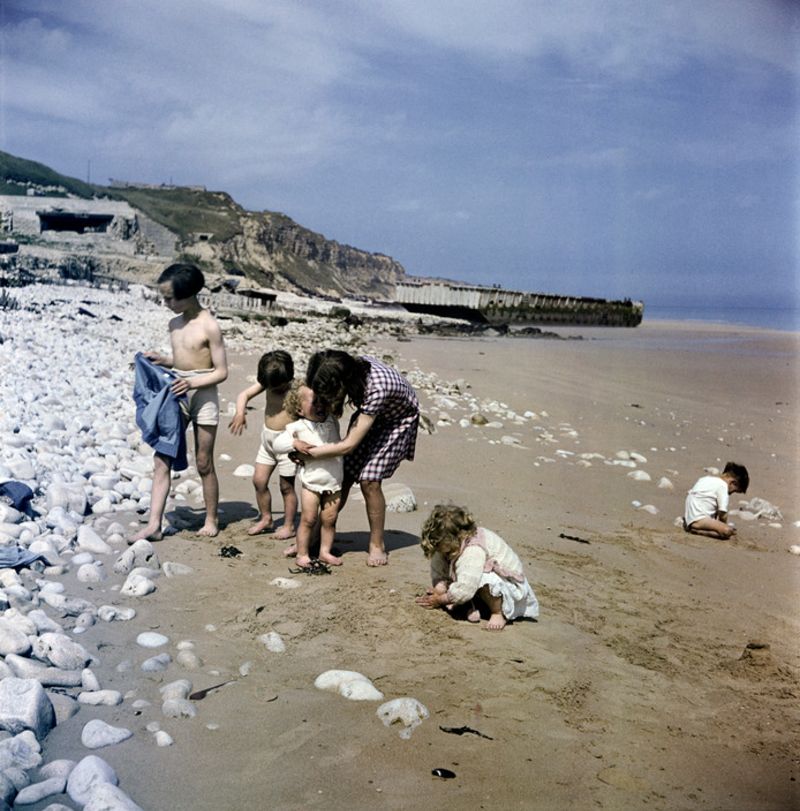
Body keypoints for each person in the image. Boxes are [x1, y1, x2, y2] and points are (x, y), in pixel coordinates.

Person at [295, 350, 420, 567]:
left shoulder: (376, 389)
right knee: (344, 475)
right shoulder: (345, 368)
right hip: (372, 414)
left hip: (397, 421)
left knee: (369, 480)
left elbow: (348, 445)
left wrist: (311, 454)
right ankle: (313, 538)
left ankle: (377, 544)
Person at [131, 263, 228, 541]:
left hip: (203, 394)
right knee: (162, 458)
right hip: (176, 392)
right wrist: (164, 360)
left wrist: (193, 382)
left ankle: (211, 518)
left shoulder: (209, 326)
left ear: (189, 295)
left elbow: (221, 371)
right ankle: (154, 524)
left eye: (170, 298)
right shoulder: (174, 323)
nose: (166, 303)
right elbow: (184, 359)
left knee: (204, 461)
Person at [415, 504, 539, 631]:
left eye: (444, 549)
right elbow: (439, 569)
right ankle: (471, 605)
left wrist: (441, 600)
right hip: (474, 575)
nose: (442, 553)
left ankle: (498, 613)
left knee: (484, 579)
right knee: (458, 571)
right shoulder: (453, 545)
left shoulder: (473, 550)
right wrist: (439, 590)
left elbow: (466, 587)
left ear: (456, 539)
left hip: (509, 584)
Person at [229, 350, 298, 538]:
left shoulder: (296, 390)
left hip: (288, 444)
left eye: (279, 387)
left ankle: (289, 525)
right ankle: (266, 518)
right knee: (258, 481)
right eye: (271, 387)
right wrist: (240, 412)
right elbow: (244, 395)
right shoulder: (268, 382)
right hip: (267, 441)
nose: (275, 390)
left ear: (289, 376)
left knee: (286, 487)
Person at [274, 383, 343, 570]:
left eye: (323, 401)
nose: (320, 405)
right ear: (299, 409)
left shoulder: (332, 421)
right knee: (308, 519)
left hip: (335, 482)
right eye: (314, 402)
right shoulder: (297, 426)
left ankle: (324, 551)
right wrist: (294, 443)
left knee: (329, 520)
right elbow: (277, 444)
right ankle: (302, 553)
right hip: (311, 483)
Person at [684, 461, 749, 539]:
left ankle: (695, 528)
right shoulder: (723, 486)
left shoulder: (705, 479)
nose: (731, 494)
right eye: (734, 491)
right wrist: (723, 525)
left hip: (689, 519)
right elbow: (723, 514)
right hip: (700, 519)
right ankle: (699, 531)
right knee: (727, 531)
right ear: (733, 483)